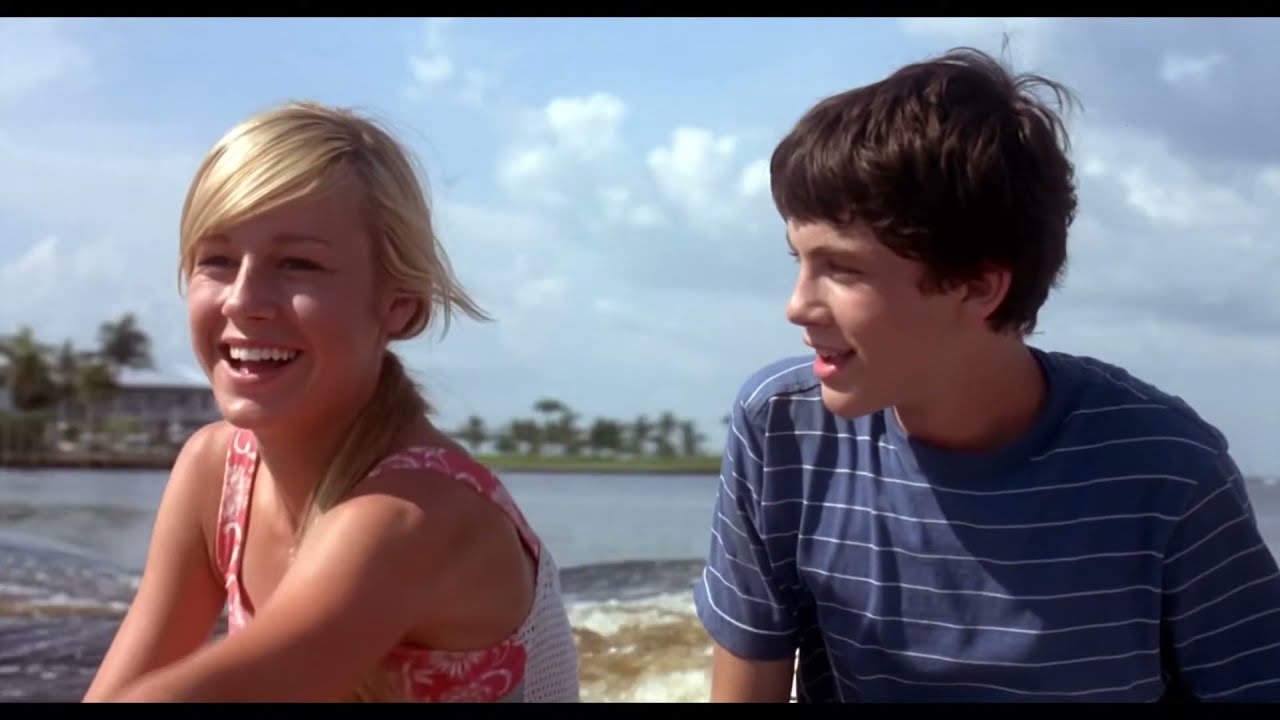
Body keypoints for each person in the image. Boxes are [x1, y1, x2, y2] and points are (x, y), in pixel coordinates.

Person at [694, 47, 1280, 703]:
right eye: (799, 260)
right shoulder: (782, 431)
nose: (797, 305)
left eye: (843, 269)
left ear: (977, 287)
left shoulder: (1167, 469)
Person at [83, 101, 581, 702]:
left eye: (298, 264)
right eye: (217, 260)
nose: (243, 300)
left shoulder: (413, 515)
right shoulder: (215, 474)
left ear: (399, 305)